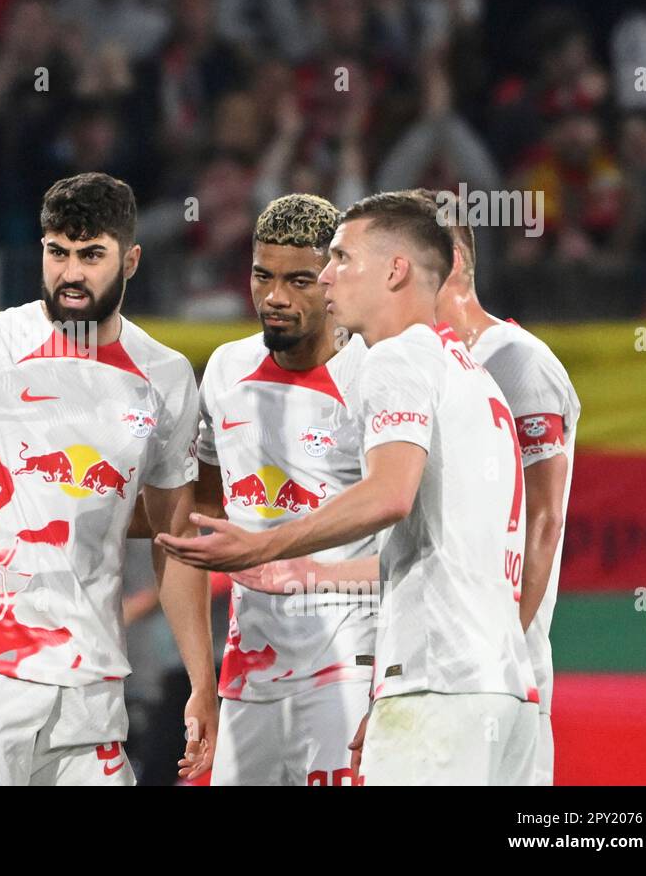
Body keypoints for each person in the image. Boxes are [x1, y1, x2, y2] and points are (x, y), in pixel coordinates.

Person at [159, 189, 539, 785]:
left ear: (395, 270)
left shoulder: (393, 363)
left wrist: (264, 549)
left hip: (423, 675)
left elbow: (390, 495)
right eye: (264, 275)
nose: (330, 278)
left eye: (340, 260)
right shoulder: (467, 374)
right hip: (482, 679)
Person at [0, 171, 215, 785]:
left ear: (130, 260)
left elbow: (174, 537)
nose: (71, 273)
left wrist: (202, 680)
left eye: (91, 255)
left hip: (95, 682)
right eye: (57, 252)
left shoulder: (164, 378)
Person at [195, 193, 378, 786]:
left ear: (333, 279)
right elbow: (200, 502)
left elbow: (410, 547)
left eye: (299, 280)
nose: (274, 298)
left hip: (346, 670)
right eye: (262, 276)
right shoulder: (224, 370)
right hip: (248, 673)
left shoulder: (375, 381)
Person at [436, 218, 579, 785]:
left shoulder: (520, 364)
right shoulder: (424, 367)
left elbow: (544, 521)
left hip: (498, 672)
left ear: (445, 264)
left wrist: (502, 654)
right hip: (429, 667)